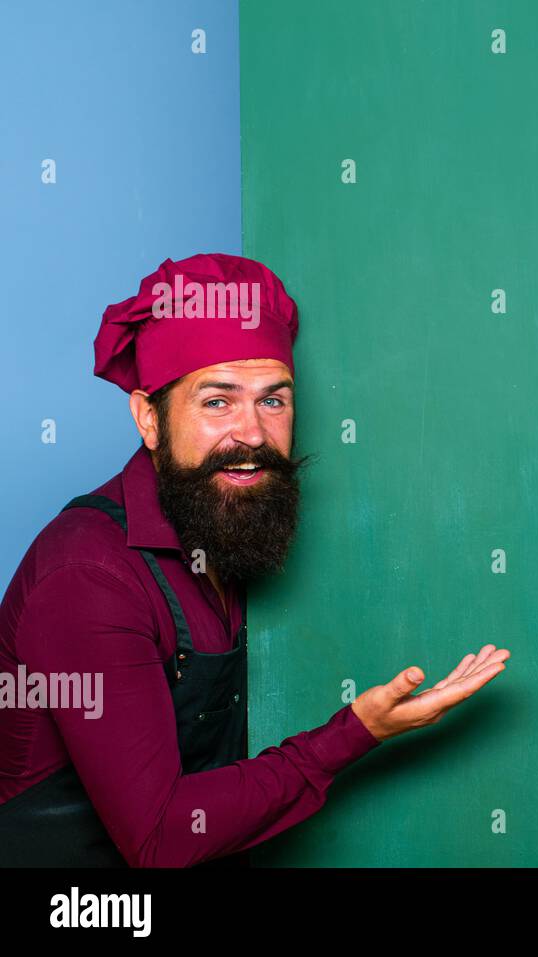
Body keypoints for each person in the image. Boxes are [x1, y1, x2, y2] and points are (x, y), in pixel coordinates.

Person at [0, 253, 510, 867]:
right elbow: (158, 837)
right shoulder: (88, 575)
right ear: (148, 419)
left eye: (274, 402)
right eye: (218, 402)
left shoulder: (228, 525)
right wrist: (356, 732)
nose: (252, 435)